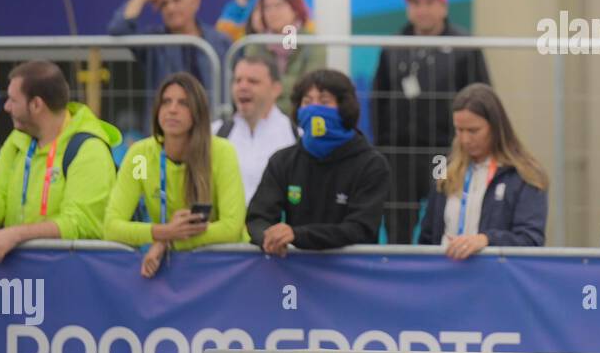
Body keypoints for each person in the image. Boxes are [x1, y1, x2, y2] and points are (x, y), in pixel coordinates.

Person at [0, 61, 120, 263]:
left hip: (71, 280)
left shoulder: (89, 148)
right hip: (22, 281)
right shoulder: (19, 139)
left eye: (12, 100)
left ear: (36, 105)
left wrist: (14, 235)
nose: (6, 107)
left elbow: (80, 222)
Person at [370, 0, 491, 244]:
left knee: (442, 213)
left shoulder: (464, 46)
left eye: (429, 2)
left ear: (443, 7)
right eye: (415, 3)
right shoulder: (392, 46)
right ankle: (397, 275)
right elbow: (379, 98)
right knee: (397, 219)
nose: (422, 9)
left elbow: (482, 96)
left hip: (445, 152)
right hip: (399, 154)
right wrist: (382, 146)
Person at [105, 73, 248, 276]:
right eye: (166, 102)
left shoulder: (223, 152)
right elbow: (112, 226)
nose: (172, 109)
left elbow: (231, 228)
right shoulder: (140, 156)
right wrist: (163, 232)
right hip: (170, 270)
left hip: (222, 269)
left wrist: (167, 242)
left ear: (197, 111)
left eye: (183, 103)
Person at [248, 69, 390, 253]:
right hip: (294, 273)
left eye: (324, 102)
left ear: (344, 108)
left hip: (352, 275)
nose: (314, 109)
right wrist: (269, 238)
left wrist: (298, 235)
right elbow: (258, 217)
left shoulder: (372, 164)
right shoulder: (283, 161)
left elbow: (360, 229)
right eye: (307, 102)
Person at [417, 83, 549, 258]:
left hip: (495, 277)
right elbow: (427, 236)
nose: (465, 139)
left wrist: (487, 240)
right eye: (459, 130)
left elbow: (531, 240)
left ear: (495, 127)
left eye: (473, 131)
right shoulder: (443, 168)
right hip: (445, 276)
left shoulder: (526, 174)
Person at [108, 0, 231, 104]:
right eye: (164, 4)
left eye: (176, 1)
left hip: (212, 121)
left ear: (195, 2)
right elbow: (118, 29)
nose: (170, 8)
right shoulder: (154, 44)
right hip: (167, 121)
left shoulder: (219, 42)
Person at [211, 54, 297, 201]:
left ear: (276, 89)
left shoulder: (295, 136)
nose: (243, 87)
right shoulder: (214, 132)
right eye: (238, 80)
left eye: (253, 81)